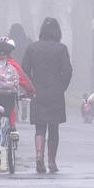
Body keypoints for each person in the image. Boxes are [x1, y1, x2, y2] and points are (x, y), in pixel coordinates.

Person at [20, 16, 72, 173]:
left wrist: (30, 88)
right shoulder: (61, 48)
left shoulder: (32, 48)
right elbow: (68, 71)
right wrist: (61, 86)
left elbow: (24, 70)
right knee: (54, 128)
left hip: (37, 92)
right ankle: (51, 162)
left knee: (40, 127)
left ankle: (38, 155)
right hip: (55, 92)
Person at [0, 36, 36, 168]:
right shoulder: (14, 66)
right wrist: (31, 93)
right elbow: (25, 81)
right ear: (10, 52)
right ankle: (13, 130)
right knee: (10, 113)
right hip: (9, 97)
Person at [8, 22, 34, 122]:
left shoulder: (9, 42)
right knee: (24, 90)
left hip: (12, 69)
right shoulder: (27, 41)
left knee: (13, 91)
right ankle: (24, 107)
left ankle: (16, 112)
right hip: (25, 69)